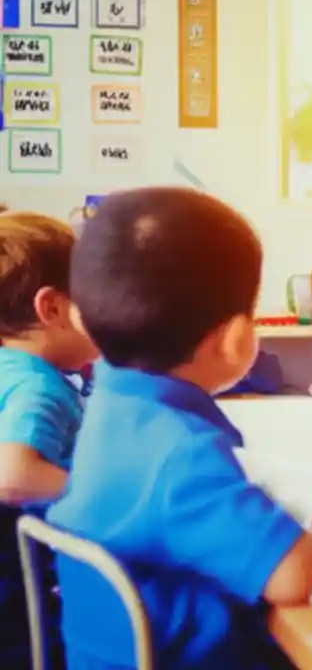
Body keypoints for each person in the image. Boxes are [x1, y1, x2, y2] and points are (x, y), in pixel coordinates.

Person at [48, 187, 312, 668]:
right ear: (236, 339)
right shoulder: (182, 453)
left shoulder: (107, 407)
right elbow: (296, 574)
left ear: (81, 319)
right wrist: (302, 523)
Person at [0, 211, 98, 670]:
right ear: (53, 309)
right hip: (13, 598)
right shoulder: (37, 385)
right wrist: (97, 490)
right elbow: (13, 475)